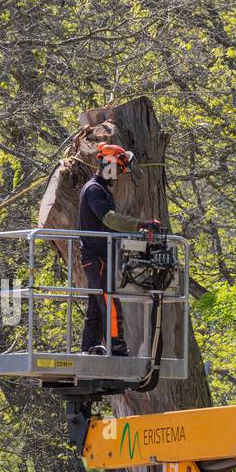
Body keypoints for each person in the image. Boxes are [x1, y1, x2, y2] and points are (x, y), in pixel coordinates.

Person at [75, 144, 160, 355]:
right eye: (119, 168)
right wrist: (141, 224)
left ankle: (89, 347)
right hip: (96, 259)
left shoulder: (101, 190)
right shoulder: (94, 189)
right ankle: (117, 345)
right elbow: (110, 220)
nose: (120, 173)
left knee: (96, 305)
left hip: (101, 257)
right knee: (110, 301)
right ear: (109, 165)